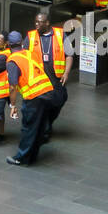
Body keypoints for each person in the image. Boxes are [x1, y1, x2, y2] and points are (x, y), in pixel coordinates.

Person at [4, 30, 58, 167]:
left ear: (8, 45)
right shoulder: (30, 53)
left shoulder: (12, 61)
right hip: (48, 91)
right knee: (39, 126)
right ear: (22, 42)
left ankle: (21, 158)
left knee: (28, 127)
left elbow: (13, 86)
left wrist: (12, 105)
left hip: (34, 97)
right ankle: (32, 155)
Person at [22, 10, 68, 143]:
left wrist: (66, 73)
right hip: (38, 78)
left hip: (56, 77)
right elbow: (23, 56)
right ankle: (45, 129)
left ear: (47, 23)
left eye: (40, 22)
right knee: (41, 104)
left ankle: (47, 121)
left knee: (60, 99)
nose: (36, 24)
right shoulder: (31, 36)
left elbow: (69, 55)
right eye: (35, 22)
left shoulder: (60, 34)